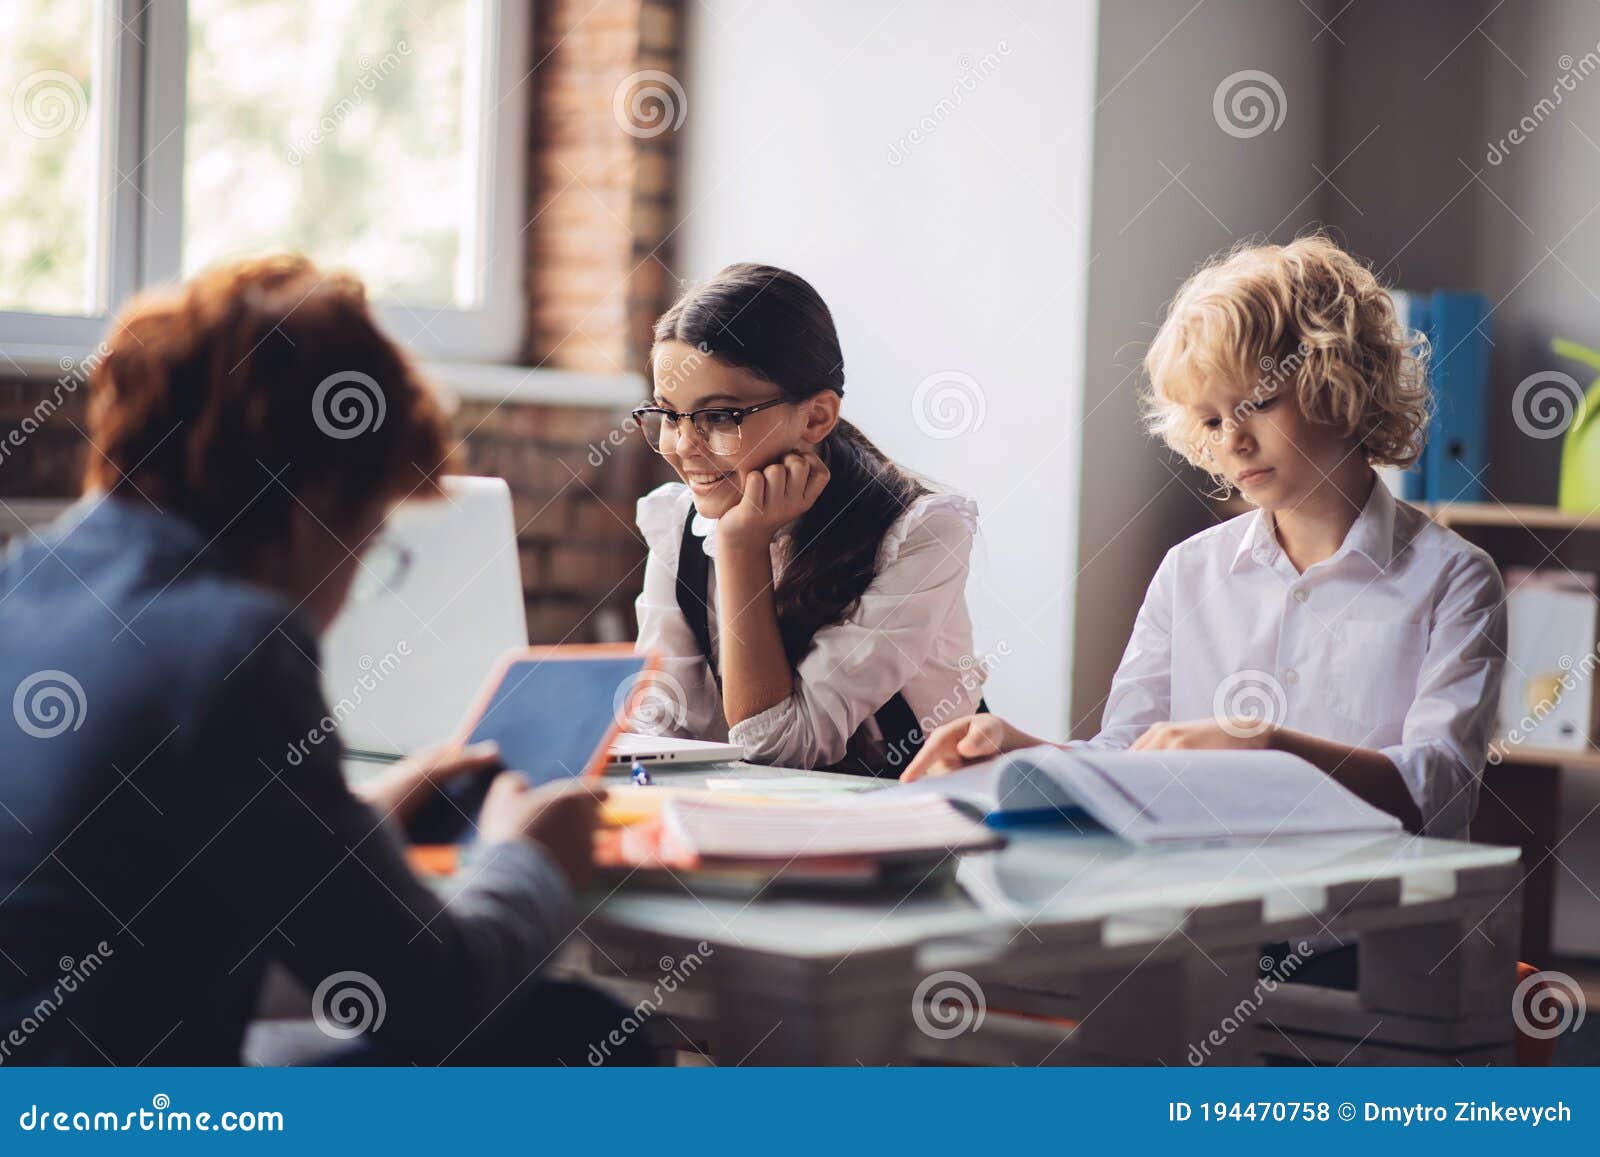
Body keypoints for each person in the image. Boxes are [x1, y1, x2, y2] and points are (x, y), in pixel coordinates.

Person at [0, 255, 649, 1065]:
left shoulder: (26, 579)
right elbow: (431, 1000)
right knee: (582, 1032)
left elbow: (164, 859)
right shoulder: (233, 647)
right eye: (371, 543)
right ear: (315, 513)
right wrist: (531, 856)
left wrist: (358, 819)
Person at [904, 235, 1507, 847]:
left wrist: (1262, 743)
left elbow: (1439, 788)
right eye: (1212, 421)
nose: (1233, 441)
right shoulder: (1188, 571)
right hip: (1213, 919)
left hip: (1370, 921)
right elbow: (1128, 756)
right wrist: (1017, 752)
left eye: (1259, 403)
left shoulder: (1454, 578)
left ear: (1341, 383)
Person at [631, 263, 983, 774]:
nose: (683, 448)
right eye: (668, 415)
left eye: (719, 417)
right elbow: (658, 727)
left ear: (816, 417)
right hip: (746, 824)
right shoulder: (678, 521)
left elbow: (780, 747)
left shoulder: (923, 533)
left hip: (900, 831)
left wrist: (740, 547)